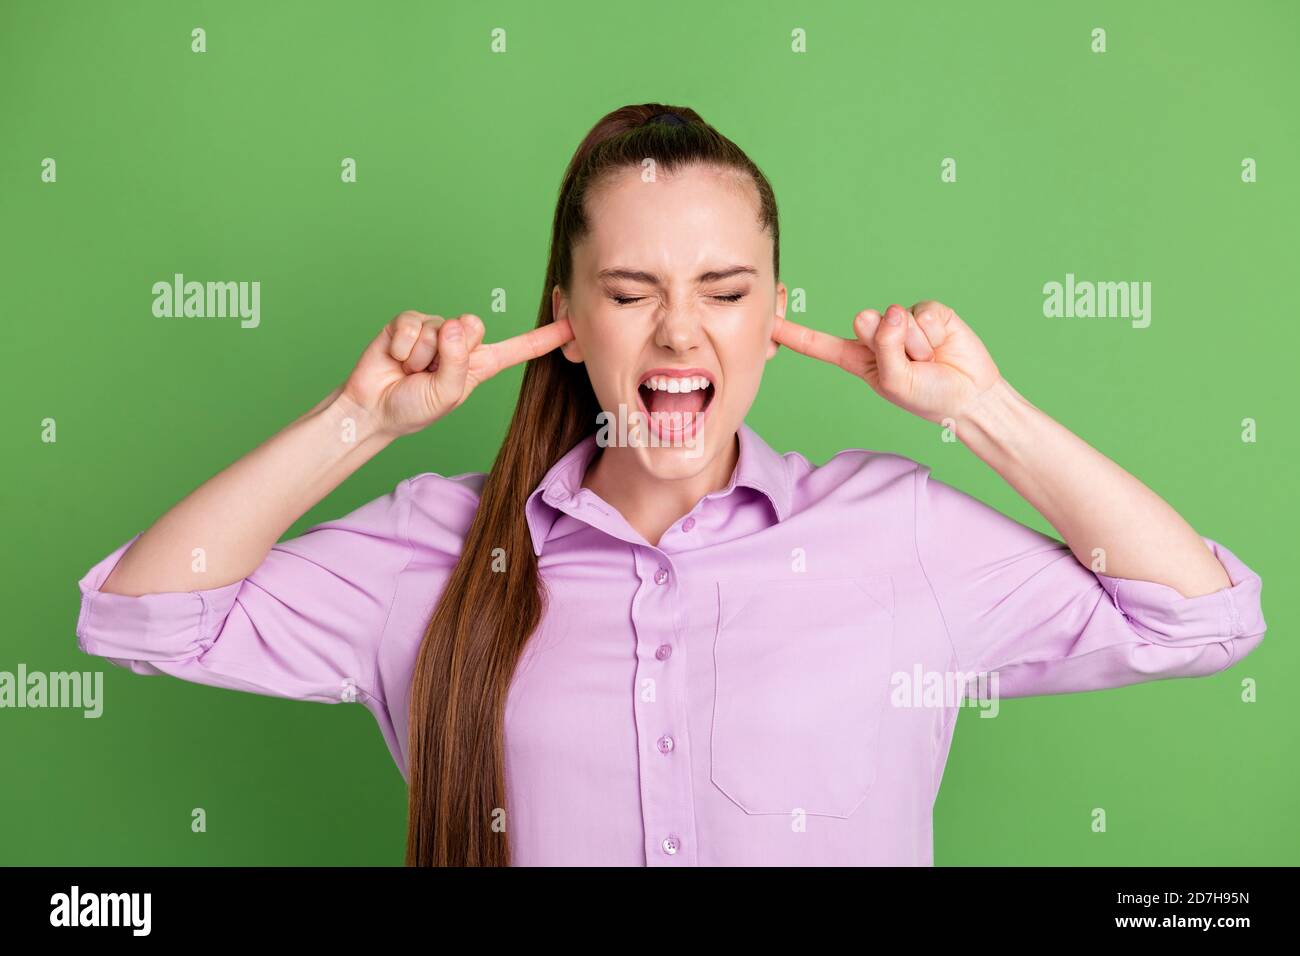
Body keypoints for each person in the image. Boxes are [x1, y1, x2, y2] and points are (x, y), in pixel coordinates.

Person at [75, 104, 1267, 867]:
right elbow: (143, 613)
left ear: (776, 319)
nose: (680, 333)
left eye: (726, 289)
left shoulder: (892, 530)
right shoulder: (440, 549)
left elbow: (1201, 614)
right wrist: (357, 422)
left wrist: (976, 411)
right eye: (633, 290)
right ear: (567, 324)